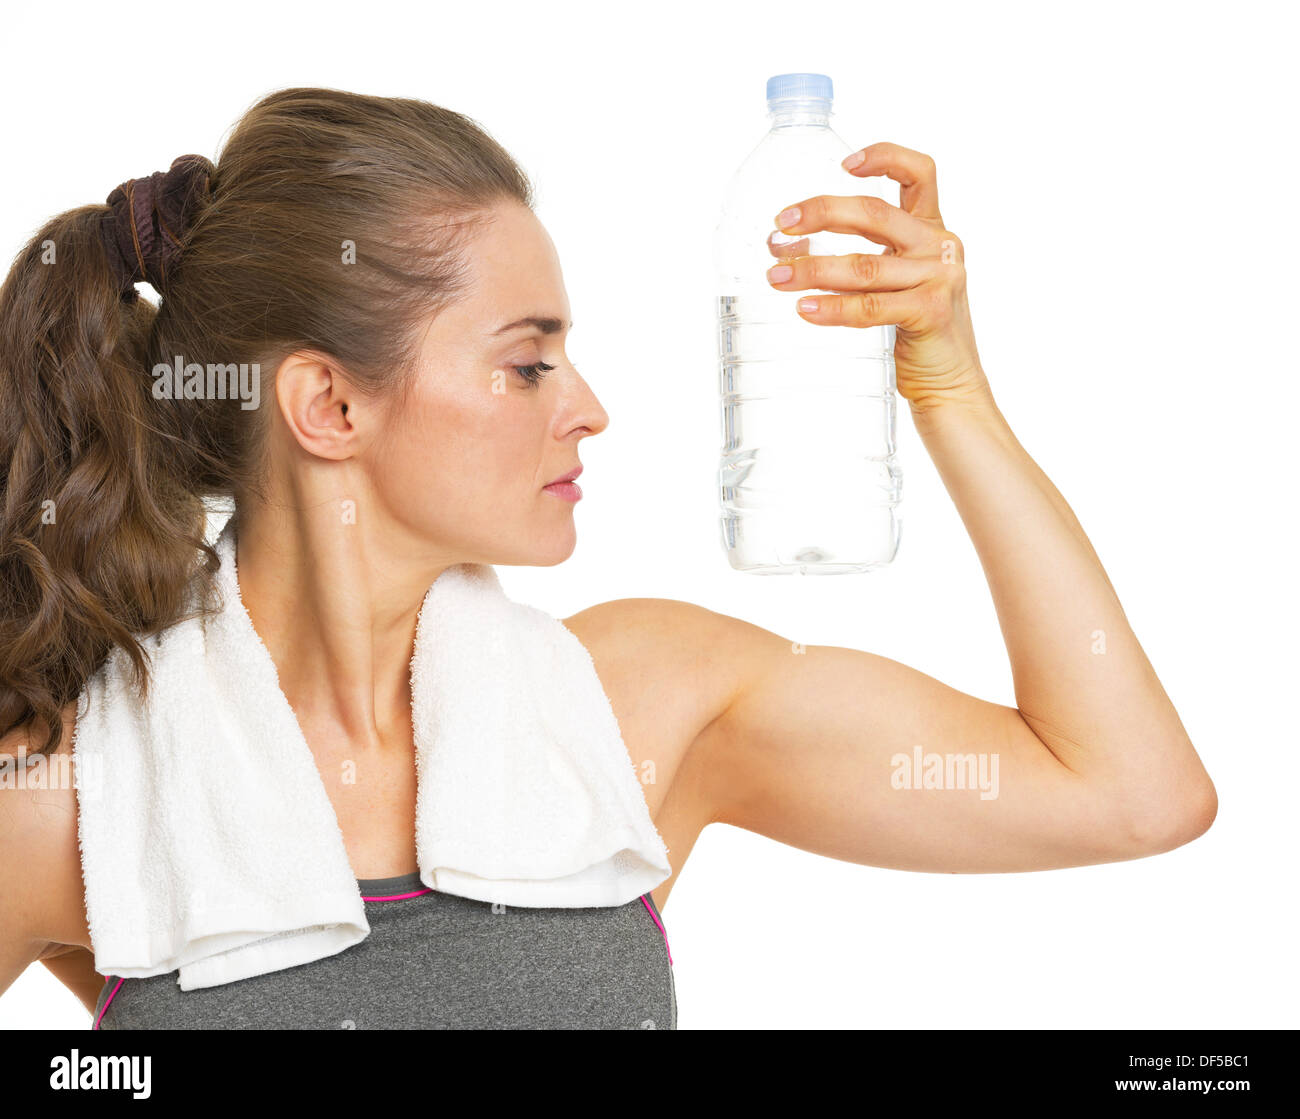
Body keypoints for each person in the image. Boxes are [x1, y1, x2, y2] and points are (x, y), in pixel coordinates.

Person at [0, 87, 1216, 1028]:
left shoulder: (634, 705)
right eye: (527, 361)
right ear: (329, 407)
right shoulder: (83, 794)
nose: (586, 407)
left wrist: (946, 387)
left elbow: (1129, 794)